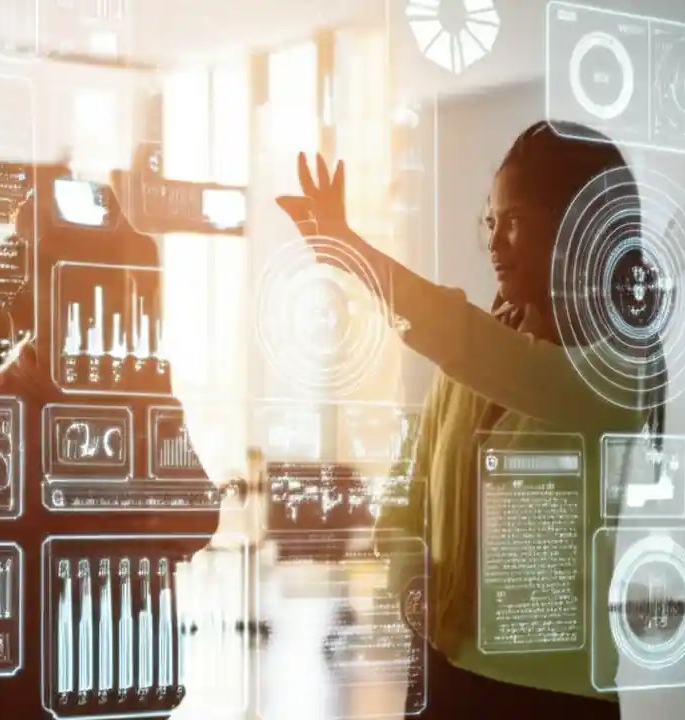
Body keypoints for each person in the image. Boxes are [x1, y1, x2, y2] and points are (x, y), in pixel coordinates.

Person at [278, 122, 652, 717]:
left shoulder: (619, 372)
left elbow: (471, 344)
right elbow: (408, 489)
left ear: (578, 233)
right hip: (444, 673)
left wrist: (354, 252)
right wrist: (412, 587)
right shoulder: (473, 363)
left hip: (553, 696)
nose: (497, 243)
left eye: (516, 222)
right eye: (491, 222)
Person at [0, 173, 220, 719]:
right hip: (34, 685)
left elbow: (198, 518)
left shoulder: (145, 396)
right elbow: (11, 536)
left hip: (129, 678)